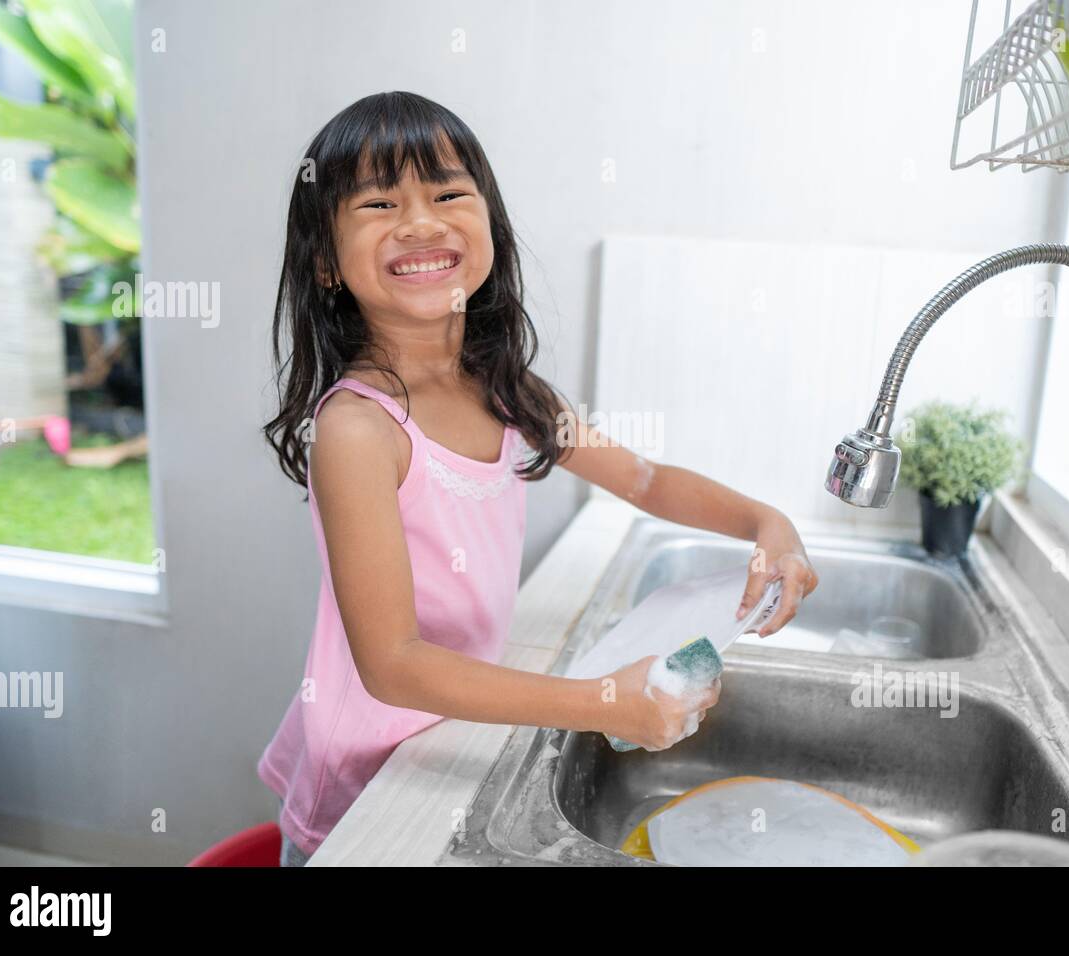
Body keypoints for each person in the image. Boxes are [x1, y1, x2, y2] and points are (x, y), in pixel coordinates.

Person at [258, 91, 818, 865]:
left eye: (448, 193)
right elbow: (393, 664)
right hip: (368, 774)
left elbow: (646, 481)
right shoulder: (358, 431)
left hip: (454, 731)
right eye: (380, 203)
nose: (421, 221)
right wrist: (602, 702)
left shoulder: (503, 388)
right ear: (324, 259)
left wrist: (767, 524)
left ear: (489, 224)